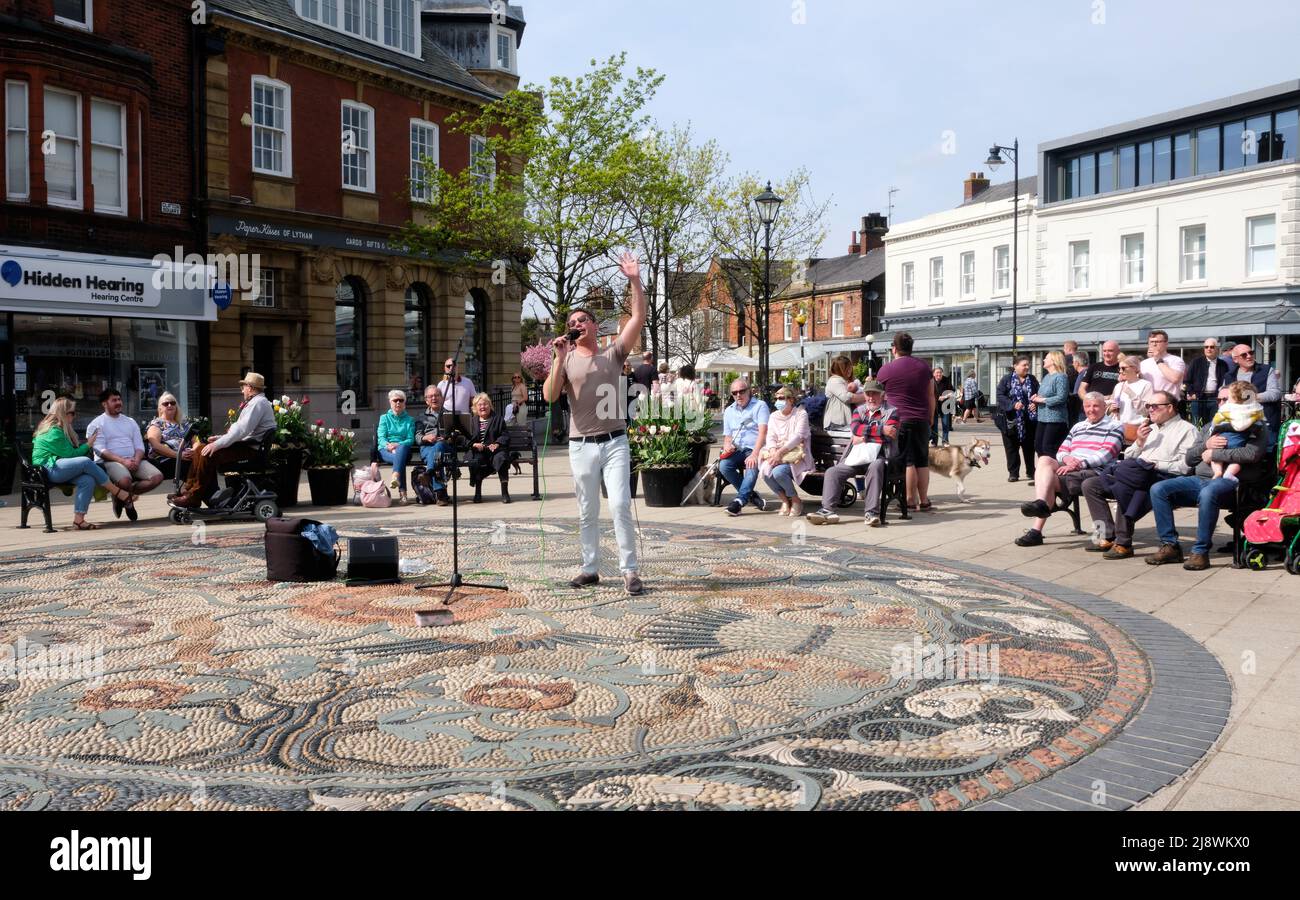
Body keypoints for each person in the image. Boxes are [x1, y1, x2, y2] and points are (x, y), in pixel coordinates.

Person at [543, 251, 647, 595]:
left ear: (593, 326)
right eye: (571, 322)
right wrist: (557, 359)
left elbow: (638, 317)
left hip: (615, 441)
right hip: (581, 445)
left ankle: (630, 570)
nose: (576, 325)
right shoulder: (565, 358)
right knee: (587, 510)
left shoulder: (612, 353)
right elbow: (550, 395)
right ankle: (590, 568)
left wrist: (633, 279)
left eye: (582, 321)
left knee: (618, 504)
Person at [1146, 385, 1271, 570]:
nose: (1221, 403)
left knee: (1209, 492)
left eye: (1225, 399)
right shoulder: (1211, 426)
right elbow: (1189, 459)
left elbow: (1252, 454)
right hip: (1201, 479)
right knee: (1159, 489)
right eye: (1218, 399)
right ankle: (1170, 545)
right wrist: (1206, 444)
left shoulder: (1256, 425)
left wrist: (1214, 455)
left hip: (1233, 483)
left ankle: (1200, 552)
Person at [1082, 391, 1197, 559]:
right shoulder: (1150, 429)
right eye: (1148, 406)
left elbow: (1185, 467)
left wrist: (1156, 464)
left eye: (1155, 406)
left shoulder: (1187, 430)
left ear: (1170, 408)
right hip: (1137, 474)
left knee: (1126, 485)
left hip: (1164, 476)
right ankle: (1107, 534)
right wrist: (1139, 442)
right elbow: (1128, 456)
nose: (1150, 410)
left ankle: (1123, 542)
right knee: (1090, 485)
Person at [1015, 392, 1124, 546]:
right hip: (1070, 468)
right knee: (1044, 459)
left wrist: (1078, 464)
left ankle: (1037, 529)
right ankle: (1041, 503)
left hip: (1094, 472)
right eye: (1087, 406)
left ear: (1104, 407)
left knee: (1047, 482)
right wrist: (1066, 459)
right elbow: (1062, 450)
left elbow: (1106, 454)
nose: (1091, 409)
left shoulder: (1114, 426)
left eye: (1095, 406)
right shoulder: (1078, 426)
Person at [171, 373, 277, 508]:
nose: (242, 390)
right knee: (199, 449)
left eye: (243, 387)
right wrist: (220, 439)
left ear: (250, 387)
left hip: (251, 450)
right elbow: (242, 431)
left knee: (207, 454)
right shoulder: (255, 402)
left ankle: (193, 497)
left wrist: (217, 444)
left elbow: (242, 431)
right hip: (247, 446)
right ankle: (188, 492)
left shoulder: (258, 403)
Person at [808, 379, 898, 528]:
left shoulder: (892, 411)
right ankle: (827, 510)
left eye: (874, 394)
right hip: (857, 456)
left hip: (881, 456)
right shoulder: (859, 410)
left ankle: (871, 513)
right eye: (868, 394)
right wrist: (880, 430)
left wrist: (863, 436)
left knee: (876, 467)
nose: (870, 398)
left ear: (882, 395)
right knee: (833, 471)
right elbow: (855, 428)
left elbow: (890, 434)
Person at [33, 397, 130, 530]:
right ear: (63, 413)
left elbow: (68, 455)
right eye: (72, 413)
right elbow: (71, 455)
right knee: (85, 462)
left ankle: (79, 520)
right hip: (47, 469)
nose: (74, 416)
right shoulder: (54, 431)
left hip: (55, 467)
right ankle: (116, 491)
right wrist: (88, 445)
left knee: (87, 480)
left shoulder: (58, 429)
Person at [876, 332, 934, 510]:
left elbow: (878, 396)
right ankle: (924, 501)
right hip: (922, 419)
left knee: (908, 461)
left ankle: (909, 500)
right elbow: (931, 395)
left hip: (900, 420)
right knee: (922, 460)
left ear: (894, 348)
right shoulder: (924, 367)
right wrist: (930, 418)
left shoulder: (886, 369)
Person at [87, 388, 164, 521]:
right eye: (114, 400)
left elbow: (139, 446)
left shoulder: (130, 421)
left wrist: (137, 459)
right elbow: (101, 451)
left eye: (119, 399)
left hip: (134, 459)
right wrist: (123, 461)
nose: (118, 402)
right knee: (125, 480)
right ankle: (128, 502)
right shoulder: (96, 424)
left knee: (157, 477)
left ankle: (121, 496)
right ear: (104, 404)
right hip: (109, 462)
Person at [757, 385, 813, 518]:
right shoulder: (774, 416)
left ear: (791, 400)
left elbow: (798, 437)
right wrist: (772, 451)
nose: (778, 401)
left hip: (797, 455)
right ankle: (784, 500)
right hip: (777, 453)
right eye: (776, 398)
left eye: (781, 398)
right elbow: (770, 436)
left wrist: (779, 452)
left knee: (778, 472)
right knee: (765, 470)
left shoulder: (800, 414)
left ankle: (795, 500)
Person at [718, 378, 771, 517]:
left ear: (749, 391)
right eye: (734, 393)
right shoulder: (729, 411)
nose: (738, 395)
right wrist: (727, 446)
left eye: (742, 391)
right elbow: (727, 437)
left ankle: (740, 501)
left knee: (751, 464)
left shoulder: (760, 406)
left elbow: (763, 432)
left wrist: (755, 453)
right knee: (724, 466)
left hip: (755, 447)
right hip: (737, 449)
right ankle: (751, 495)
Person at [1208, 380, 1265, 482]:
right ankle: (1229, 473)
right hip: (1240, 441)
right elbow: (1259, 420)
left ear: (1233, 398)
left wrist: (1212, 429)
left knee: (1215, 457)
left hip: (1222, 439)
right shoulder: (1253, 410)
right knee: (1237, 461)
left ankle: (1217, 472)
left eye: (1228, 397)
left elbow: (1216, 419)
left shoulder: (1227, 409)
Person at [1227, 344, 1282, 444]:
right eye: (1244, 355)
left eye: (1251, 353)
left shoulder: (1267, 370)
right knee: (1238, 454)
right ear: (1235, 359)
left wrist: (1251, 397)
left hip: (1264, 423)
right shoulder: (1230, 375)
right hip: (1238, 424)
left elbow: (1275, 393)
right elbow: (1224, 395)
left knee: (1268, 454)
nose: (1249, 356)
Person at [995, 356, 1039, 483]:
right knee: (1011, 448)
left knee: (1029, 448)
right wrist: (1013, 404)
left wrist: (1035, 403)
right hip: (1011, 420)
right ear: (1015, 366)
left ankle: (1031, 471)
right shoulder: (1007, 379)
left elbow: (1038, 394)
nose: (1027, 367)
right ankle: (1013, 473)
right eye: (1024, 365)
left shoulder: (1032, 379)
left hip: (1029, 420)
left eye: (1028, 365)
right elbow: (1000, 395)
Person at [372, 390, 417, 504]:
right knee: (399, 459)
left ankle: (395, 476)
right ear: (390, 402)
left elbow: (410, 439)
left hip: (404, 450)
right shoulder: (384, 418)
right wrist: (389, 447)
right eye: (395, 400)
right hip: (386, 450)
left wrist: (398, 445)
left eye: (401, 400)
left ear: (404, 403)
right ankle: (403, 494)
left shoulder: (410, 420)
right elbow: (381, 437)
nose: (398, 403)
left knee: (401, 450)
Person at [466, 393, 511, 503]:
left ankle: (505, 493)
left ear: (489, 405)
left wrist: (497, 443)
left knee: (502, 459)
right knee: (475, 460)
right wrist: (474, 444)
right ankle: (477, 493)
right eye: (479, 405)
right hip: (479, 451)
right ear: (475, 408)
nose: (482, 407)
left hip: (494, 450)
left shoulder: (498, 419)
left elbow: (505, 435)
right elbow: (466, 438)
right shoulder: (472, 421)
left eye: (485, 404)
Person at [145, 392, 194, 482]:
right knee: (194, 465)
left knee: (206, 461)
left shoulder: (184, 423)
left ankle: (211, 492)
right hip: (166, 459)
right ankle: (193, 491)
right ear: (160, 408)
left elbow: (196, 440)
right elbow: (155, 445)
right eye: (166, 404)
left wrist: (194, 450)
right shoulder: (157, 423)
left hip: (186, 456)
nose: (170, 405)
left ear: (176, 406)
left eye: (173, 403)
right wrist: (179, 455)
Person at [1030, 351, 1070, 458]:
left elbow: (1061, 397)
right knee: (1038, 446)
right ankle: (1043, 470)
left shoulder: (1061, 377)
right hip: (1042, 417)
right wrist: (1035, 401)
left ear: (1054, 361)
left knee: (1048, 447)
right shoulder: (1047, 377)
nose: (1043, 360)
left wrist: (1042, 400)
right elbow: (1042, 395)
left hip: (1055, 418)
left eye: (1046, 358)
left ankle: (1053, 471)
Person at [1107, 355, 1154, 435]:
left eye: (1123, 368)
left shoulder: (1146, 385)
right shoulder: (1119, 386)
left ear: (1135, 368)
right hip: (1117, 430)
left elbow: (1146, 411)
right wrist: (1110, 409)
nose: (1120, 371)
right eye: (1119, 368)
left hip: (1135, 430)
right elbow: (1109, 409)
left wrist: (1131, 393)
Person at [1185, 338, 1228, 425]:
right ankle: (1198, 439)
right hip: (1198, 398)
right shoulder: (1196, 362)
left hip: (1216, 399)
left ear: (1217, 349)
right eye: (1206, 347)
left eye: (1212, 347)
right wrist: (1191, 393)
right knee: (1196, 424)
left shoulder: (1223, 364)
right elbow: (1187, 381)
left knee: (1214, 424)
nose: (1209, 349)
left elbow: (1226, 382)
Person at [1139, 330, 1186, 400]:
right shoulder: (1143, 363)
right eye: (1151, 342)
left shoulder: (1176, 360)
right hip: (1149, 402)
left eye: (1158, 342)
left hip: (1168, 402)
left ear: (1166, 343)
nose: (1154, 344)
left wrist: (1158, 359)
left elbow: (1175, 379)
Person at [823, 356, 866, 431]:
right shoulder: (834, 380)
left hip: (845, 423)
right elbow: (847, 397)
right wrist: (866, 396)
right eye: (846, 368)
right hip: (837, 423)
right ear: (839, 369)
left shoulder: (847, 381)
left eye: (850, 368)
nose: (849, 370)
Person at [930, 366, 956, 448]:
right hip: (934, 406)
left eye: (940, 372)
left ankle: (945, 441)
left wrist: (944, 397)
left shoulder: (946, 380)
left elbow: (952, 392)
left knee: (945, 424)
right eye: (937, 372)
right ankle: (934, 442)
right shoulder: (930, 381)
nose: (939, 374)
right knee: (934, 425)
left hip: (945, 405)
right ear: (933, 374)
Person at [1068, 351, 1090, 423]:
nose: (1073, 364)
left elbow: (1077, 394)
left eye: (1073, 362)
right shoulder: (1088, 372)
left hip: (1083, 410)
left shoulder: (1083, 374)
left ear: (1077, 363)